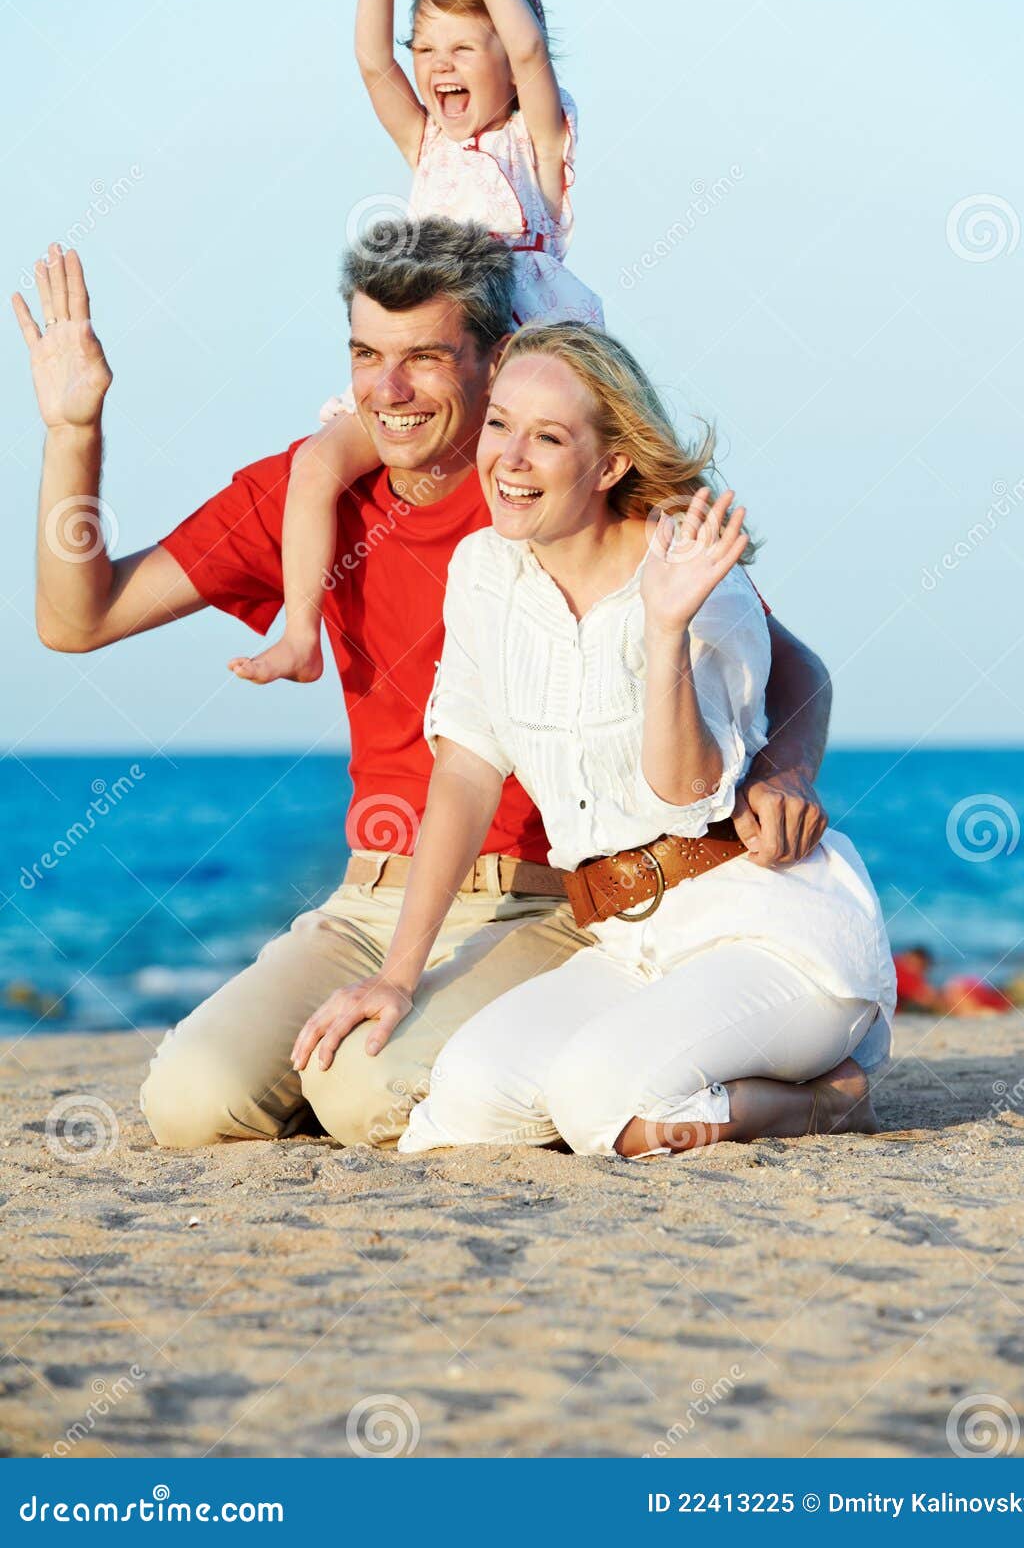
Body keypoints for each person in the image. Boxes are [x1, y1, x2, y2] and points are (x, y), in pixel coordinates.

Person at [13, 221, 834, 1151]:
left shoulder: (557, 493)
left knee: (366, 1103)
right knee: (193, 1105)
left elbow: (788, 659)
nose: (388, 392)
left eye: (424, 359)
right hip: (369, 900)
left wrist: (784, 767)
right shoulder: (308, 501)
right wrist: (73, 431)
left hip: (545, 900)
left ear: (494, 361)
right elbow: (75, 621)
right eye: (366, 355)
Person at [293, 324, 895, 1158]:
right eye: (499, 424)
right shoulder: (481, 572)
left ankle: (829, 1098)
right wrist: (400, 975)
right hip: (622, 939)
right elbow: (465, 773)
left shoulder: (688, 572)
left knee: (599, 1104)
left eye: (548, 438)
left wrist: (663, 630)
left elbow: (686, 794)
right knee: (462, 1112)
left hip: (763, 931)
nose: (508, 457)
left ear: (609, 464)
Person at [231, 0, 602, 686]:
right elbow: (371, 63)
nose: (438, 66)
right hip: (434, 369)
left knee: (565, 485)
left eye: (463, 48)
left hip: (521, 361)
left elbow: (533, 50)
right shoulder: (425, 145)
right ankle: (299, 634)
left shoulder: (535, 146)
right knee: (319, 462)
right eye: (426, 48)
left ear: (506, 56)